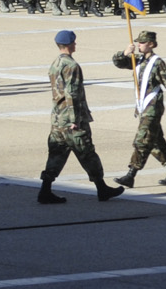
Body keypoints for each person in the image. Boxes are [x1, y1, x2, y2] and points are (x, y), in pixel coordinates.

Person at [36, 30, 123, 204]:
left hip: (58, 118)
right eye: (74, 42)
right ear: (69, 44)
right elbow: (72, 93)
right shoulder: (71, 65)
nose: (75, 44)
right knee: (87, 152)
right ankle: (102, 188)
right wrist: (74, 119)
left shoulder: (56, 63)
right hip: (72, 119)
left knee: (57, 153)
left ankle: (45, 190)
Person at [112, 30, 166, 188]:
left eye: (143, 42)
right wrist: (125, 53)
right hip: (142, 107)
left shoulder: (157, 62)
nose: (139, 45)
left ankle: (131, 174)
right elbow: (118, 62)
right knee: (156, 142)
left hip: (152, 108)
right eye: (138, 42)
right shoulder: (137, 60)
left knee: (143, 140)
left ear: (151, 44)